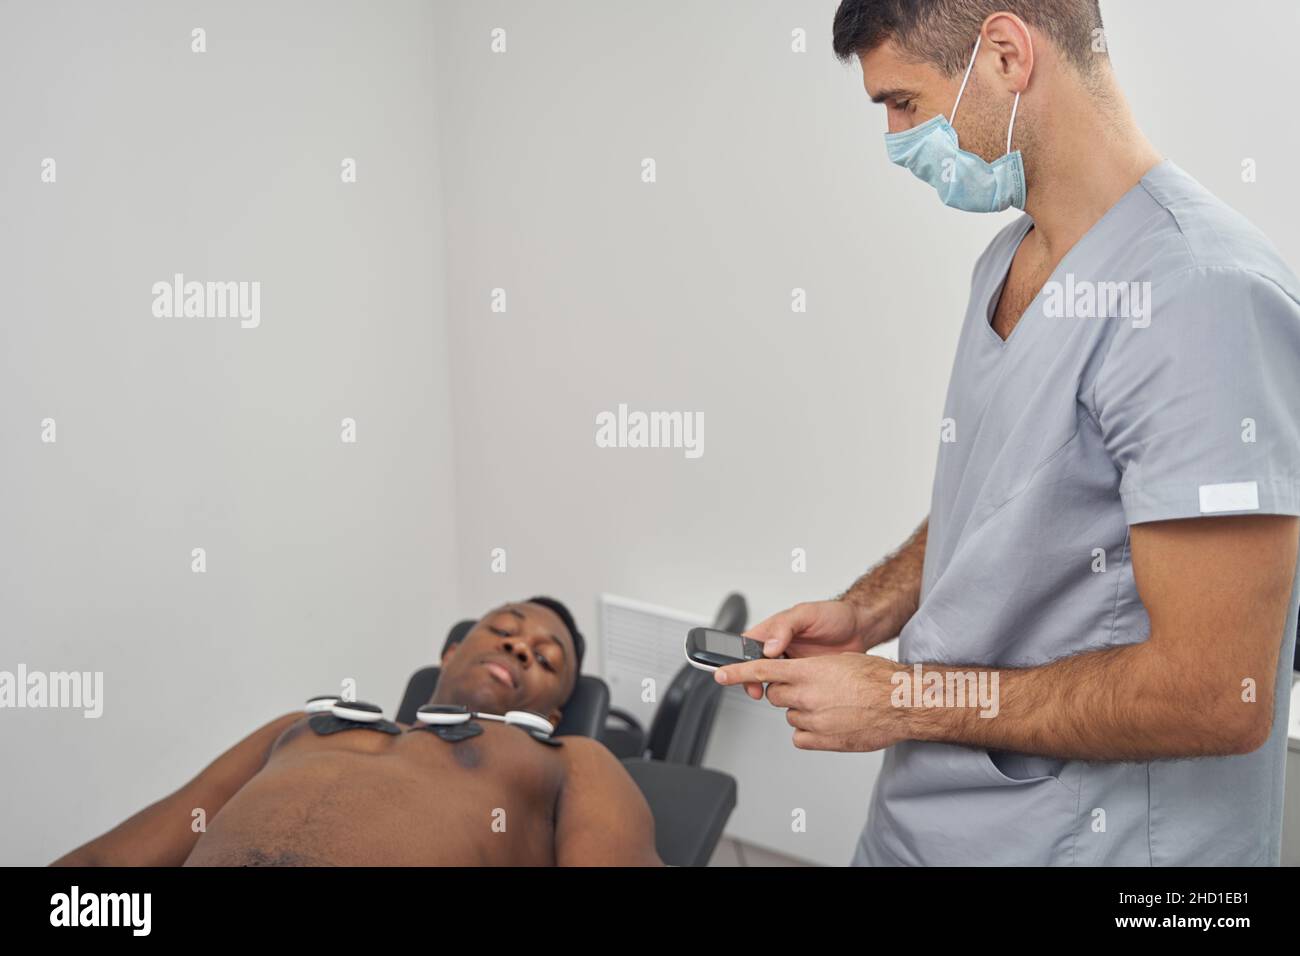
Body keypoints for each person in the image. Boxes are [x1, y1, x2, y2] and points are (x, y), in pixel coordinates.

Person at [716, 0, 1300, 865]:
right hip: (925, 826)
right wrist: (865, 611)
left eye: (904, 103)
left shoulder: (1200, 297)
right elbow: (1006, 497)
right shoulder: (1011, 258)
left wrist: (902, 701)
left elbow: (1219, 697)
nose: (893, 139)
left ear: (1004, 54)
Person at [51, 598, 662, 866]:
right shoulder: (302, 729)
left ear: (553, 715)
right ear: (449, 652)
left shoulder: (572, 759)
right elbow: (104, 860)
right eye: (504, 627)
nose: (519, 645)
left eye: (546, 658)